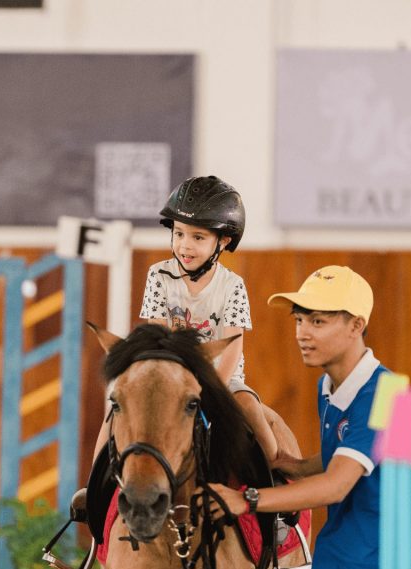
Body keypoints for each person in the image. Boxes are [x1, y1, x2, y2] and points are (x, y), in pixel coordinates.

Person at [207, 265, 411, 569]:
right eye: (299, 320)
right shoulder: (328, 387)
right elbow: (362, 454)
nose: (302, 333)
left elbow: (336, 486)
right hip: (341, 556)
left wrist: (246, 500)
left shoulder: (390, 395)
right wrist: (300, 466)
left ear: (356, 325)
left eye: (317, 321)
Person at [92, 175, 279, 463]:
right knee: (115, 407)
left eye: (198, 237)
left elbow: (232, 347)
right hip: (170, 376)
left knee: (249, 406)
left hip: (220, 380)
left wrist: (210, 389)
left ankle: (278, 473)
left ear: (223, 241)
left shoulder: (233, 285)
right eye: (179, 234)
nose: (185, 246)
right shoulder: (158, 275)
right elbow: (157, 338)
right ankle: (94, 489)